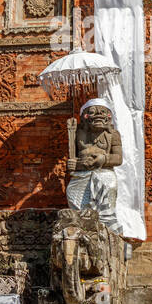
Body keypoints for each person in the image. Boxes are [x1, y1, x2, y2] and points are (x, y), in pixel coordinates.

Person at [66, 98, 123, 232]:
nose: (98, 115)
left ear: (109, 117)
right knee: (72, 193)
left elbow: (118, 158)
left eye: (103, 113)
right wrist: (73, 164)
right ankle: (83, 228)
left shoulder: (113, 135)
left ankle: (105, 229)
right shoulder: (77, 133)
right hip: (81, 175)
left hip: (105, 173)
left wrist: (103, 159)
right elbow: (73, 157)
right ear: (85, 117)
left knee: (107, 192)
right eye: (92, 113)